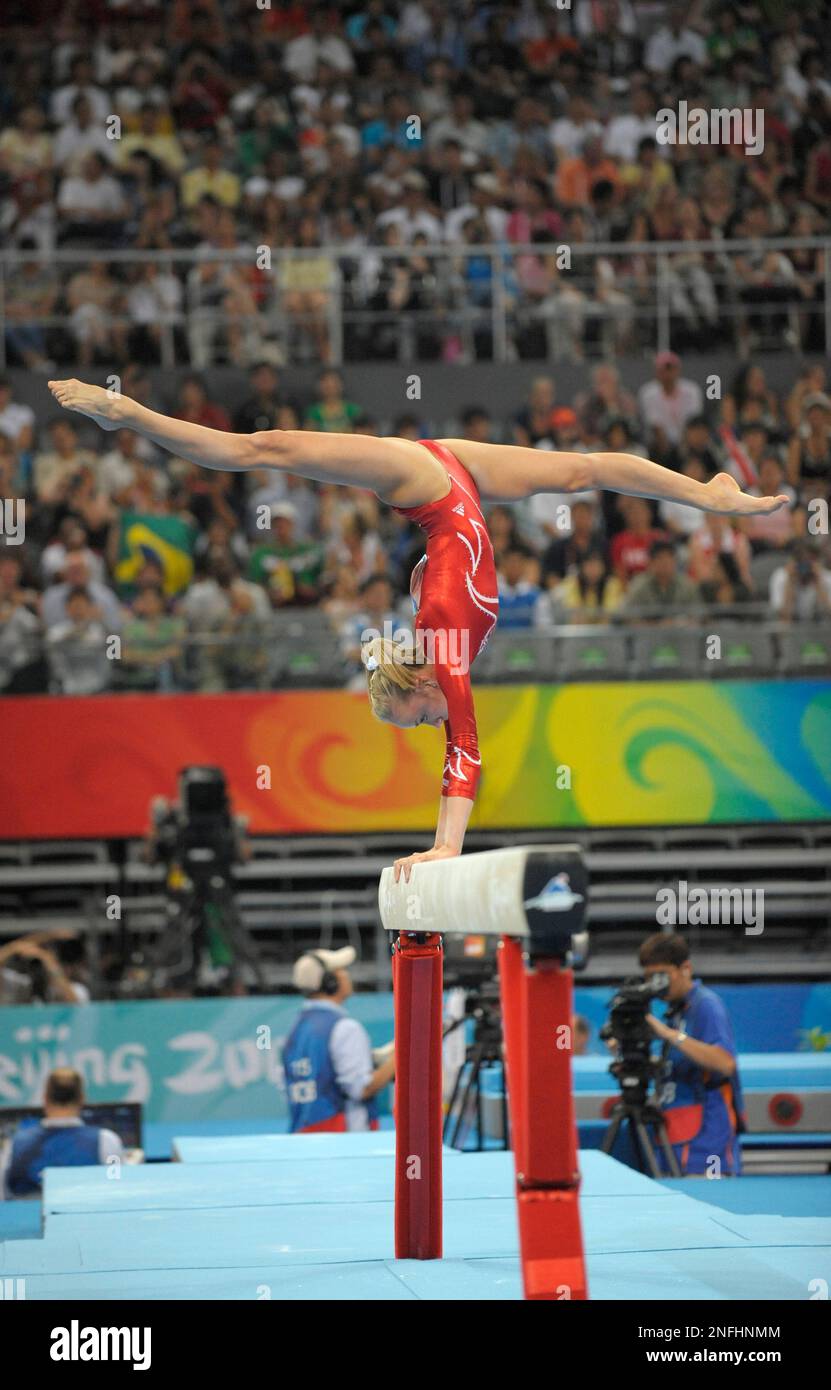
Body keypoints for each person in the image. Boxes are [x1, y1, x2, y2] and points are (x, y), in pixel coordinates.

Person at [47, 377, 789, 880]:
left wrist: (443, 848)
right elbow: (433, 594)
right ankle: (709, 494)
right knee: (579, 472)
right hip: (456, 477)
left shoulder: (445, 652)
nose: (429, 723)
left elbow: (465, 753)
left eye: (414, 718)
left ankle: (128, 414)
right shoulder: (436, 643)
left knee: (260, 449)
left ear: (416, 687)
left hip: (426, 485)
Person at [639, 932, 745, 1177]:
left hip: (706, 1144)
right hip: (675, 1134)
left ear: (685, 968)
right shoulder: (673, 1010)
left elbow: (725, 1062)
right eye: (649, 977)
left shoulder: (706, 1005)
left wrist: (669, 1034)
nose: (656, 984)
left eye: (662, 975)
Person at [282, 947, 395, 1134]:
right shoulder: (345, 1028)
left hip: (306, 1136)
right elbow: (363, 1088)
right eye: (341, 970)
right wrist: (404, 1055)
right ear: (330, 982)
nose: (347, 975)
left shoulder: (297, 1028)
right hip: (344, 1139)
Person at [1, 1068, 123, 1199]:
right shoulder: (108, 1141)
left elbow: (2, 1196)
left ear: (45, 1098)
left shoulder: (15, 1144)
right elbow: (118, 1187)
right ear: (82, 1099)